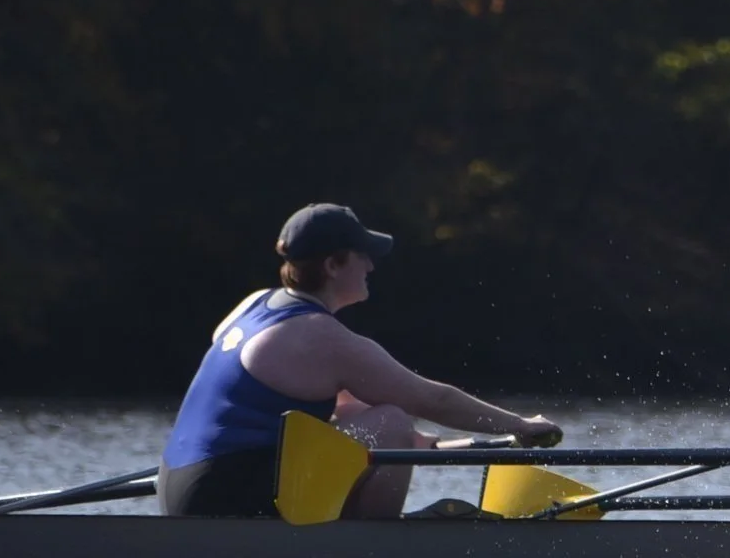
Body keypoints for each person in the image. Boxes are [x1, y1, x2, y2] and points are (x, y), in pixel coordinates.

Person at [157, 203, 561, 518]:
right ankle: (369, 540)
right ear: (333, 265)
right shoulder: (323, 337)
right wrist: (521, 426)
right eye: (362, 255)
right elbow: (430, 400)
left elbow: (325, 412)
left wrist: (425, 445)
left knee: (382, 424)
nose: (370, 265)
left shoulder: (253, 304)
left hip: (176, 484)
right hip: (224, 495)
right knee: (393, 419)